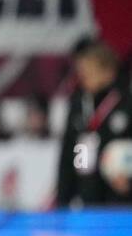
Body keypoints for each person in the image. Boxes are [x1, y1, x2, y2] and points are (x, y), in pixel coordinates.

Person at [55, 39, 132, 207]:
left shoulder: (126, 102)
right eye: (81, 71)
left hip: (121, 201)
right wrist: (62, 200)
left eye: (89, 71)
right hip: (86, 198)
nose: (82, 76)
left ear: (108, 71)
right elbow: (68, 153)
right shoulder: (78, 104)